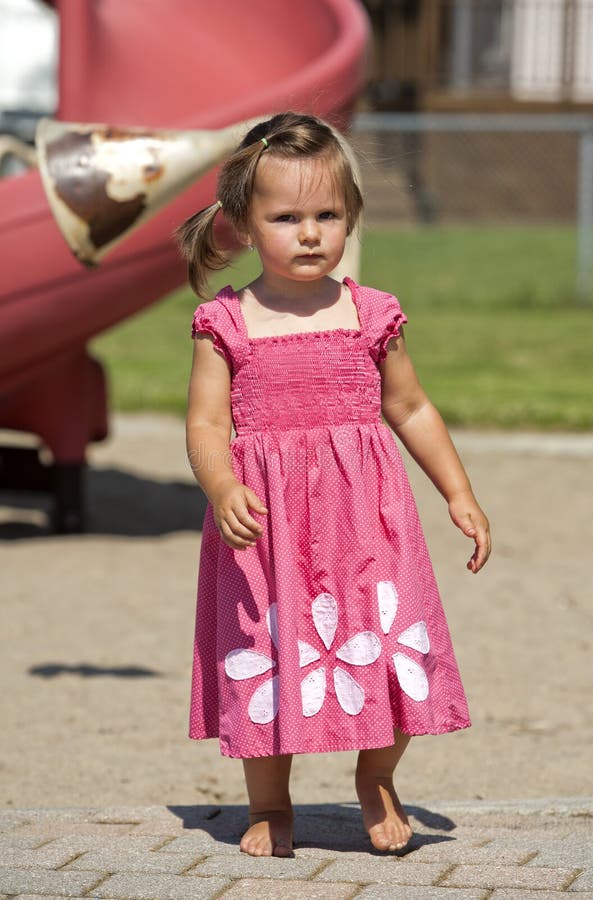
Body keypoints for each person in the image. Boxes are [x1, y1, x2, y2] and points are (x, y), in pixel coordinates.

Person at [177, 111, 491, 860]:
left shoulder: (370, 312)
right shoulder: (227, 321)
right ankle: (270, 803)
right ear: (244, 226)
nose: (310, 232)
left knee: (394, 645)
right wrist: (221, 485)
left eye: (327, 215)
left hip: (367, 521)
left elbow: (409, 405)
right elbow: (204, 424)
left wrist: (457, 491)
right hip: (266, 528)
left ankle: (376, 776)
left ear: (350, 216)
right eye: (286, 217)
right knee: (266, 654)